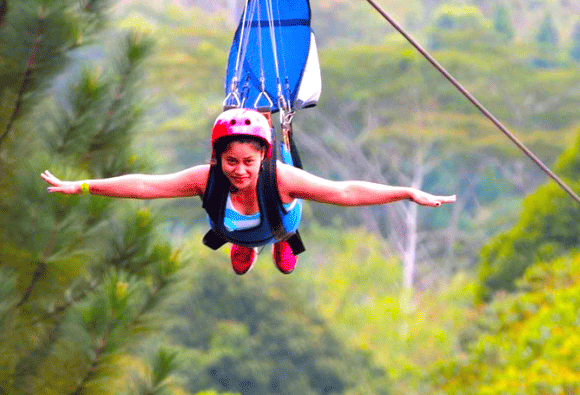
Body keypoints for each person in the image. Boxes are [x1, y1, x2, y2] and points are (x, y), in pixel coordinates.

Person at [42, 108, 456, 275]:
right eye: (230, 161)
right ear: (217, 158)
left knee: (276, 228)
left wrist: (405, 192)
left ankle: (278, 244)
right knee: (234, 235)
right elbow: (147, 185)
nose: (239, 171)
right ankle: (245, 245)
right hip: (233, 230)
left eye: (249, 162)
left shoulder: (283, 179)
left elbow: (345, 191)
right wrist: (83, 186)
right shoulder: (206, 179)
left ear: (264, 157)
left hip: (278, 224)